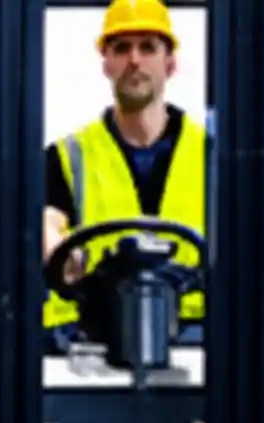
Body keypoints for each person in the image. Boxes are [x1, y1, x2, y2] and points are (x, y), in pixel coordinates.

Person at [42, 0, 206, 331]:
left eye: (148, 47)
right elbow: (49, 223)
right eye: (122, 48)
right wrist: (58, 250)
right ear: (106, 64)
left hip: (195, 337)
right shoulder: (67, 156)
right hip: (94, 333)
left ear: (170, 63)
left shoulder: (213, 155)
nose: (134, 60)